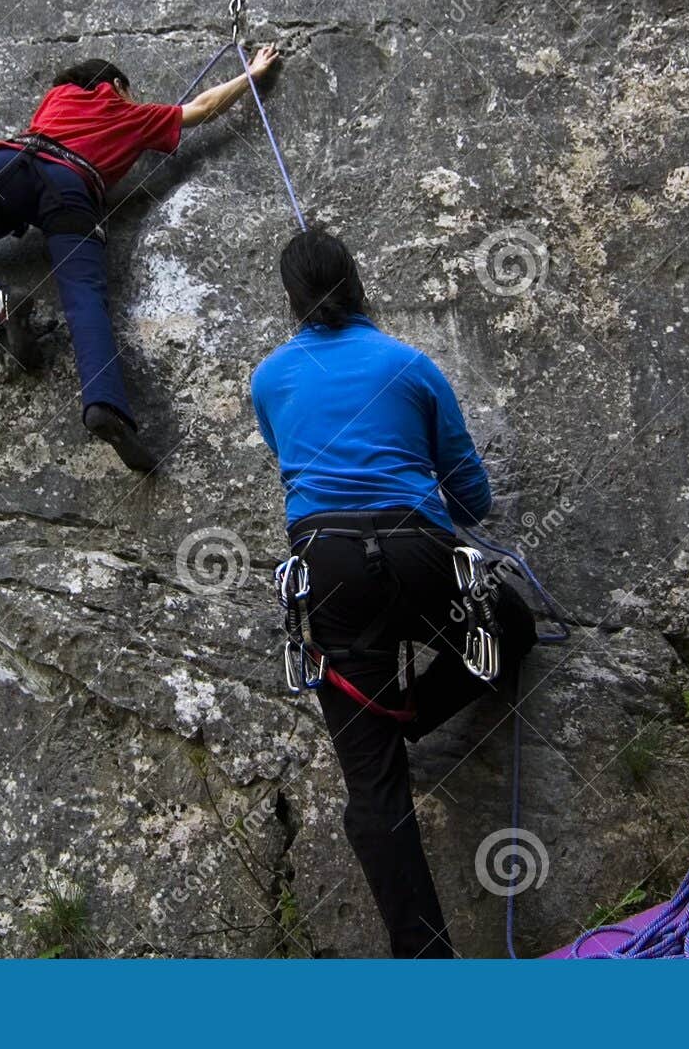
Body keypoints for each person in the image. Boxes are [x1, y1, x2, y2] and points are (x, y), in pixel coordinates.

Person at [250, 231, 537, 958]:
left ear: (291, 300)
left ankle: (426, 964)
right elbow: (472, 496)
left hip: (330, 566)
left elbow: (290, 463)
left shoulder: (271, 379)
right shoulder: (411, 366)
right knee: (508, 626)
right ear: (359, 280)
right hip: (421, 551)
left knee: (374, 792)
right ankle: (409, 714)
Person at [0, 47, 279, 472]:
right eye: (129, 92)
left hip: (10, 163)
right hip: (71, 183)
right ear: (114, 86)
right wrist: (251, 75)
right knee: (85, 299)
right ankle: (104, 404)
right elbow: (203, 108)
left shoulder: (59, 97)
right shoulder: (133, 114)